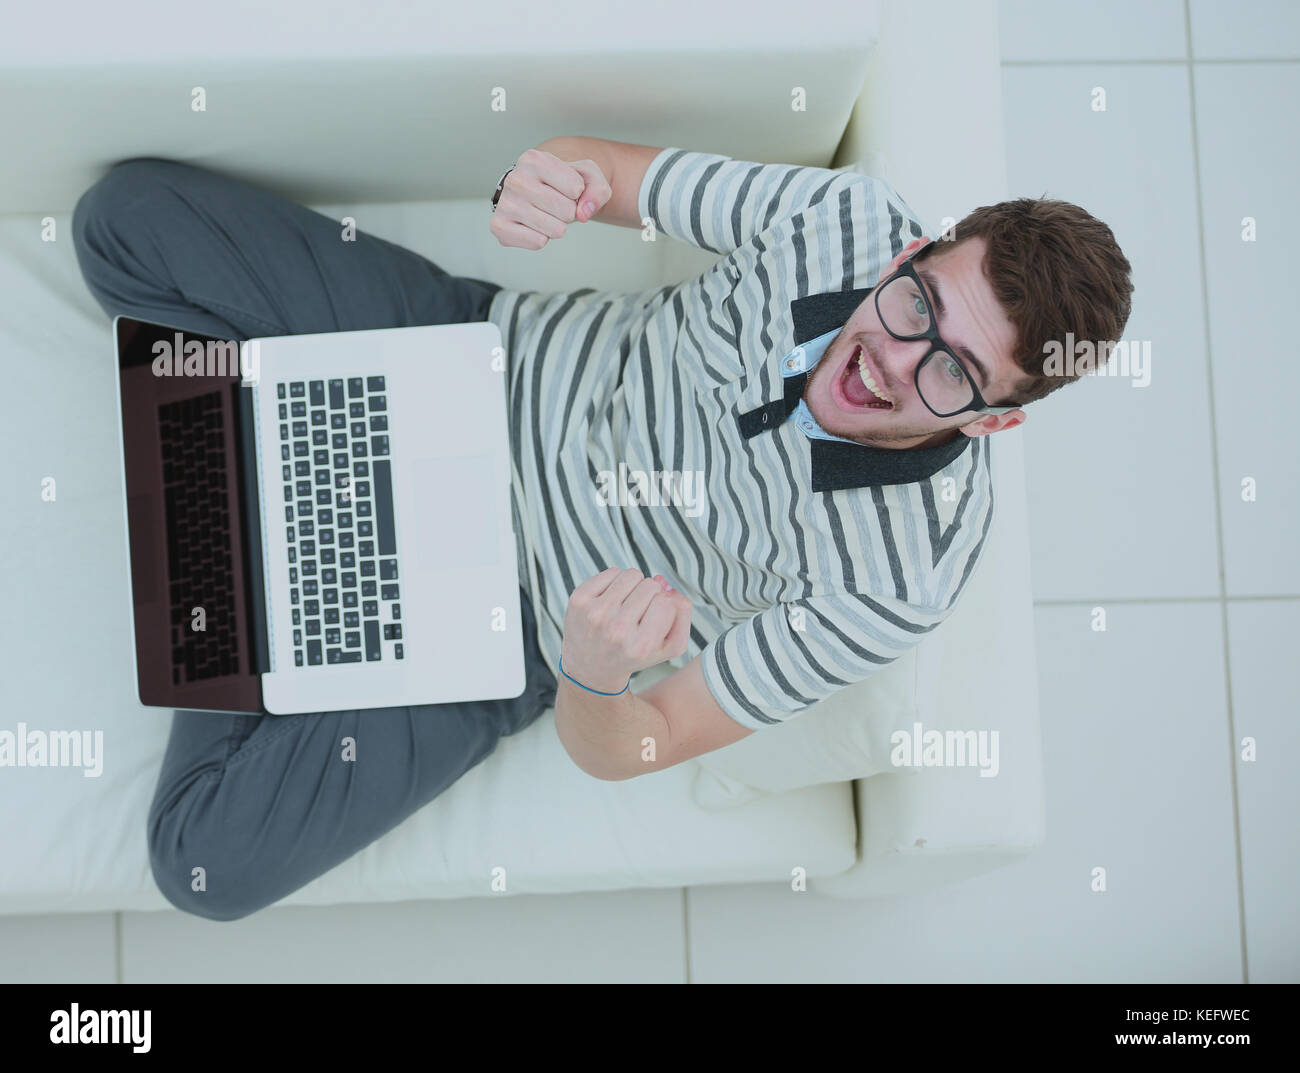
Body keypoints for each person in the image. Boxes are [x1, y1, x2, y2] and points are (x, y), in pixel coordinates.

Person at [71, 135, 1132, 921]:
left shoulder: (903, 579)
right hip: (463, 356)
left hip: (502, 626)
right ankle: (241, 494)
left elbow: (646, 738)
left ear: (993, 417)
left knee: (204, 861)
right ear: (906, 253)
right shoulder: (840, 220)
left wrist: (589, 672)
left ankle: (228, 541)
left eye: (950, 371)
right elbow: (615, 176)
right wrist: (554, 180)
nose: (893, 359)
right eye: (915, 306)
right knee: (121, 219)